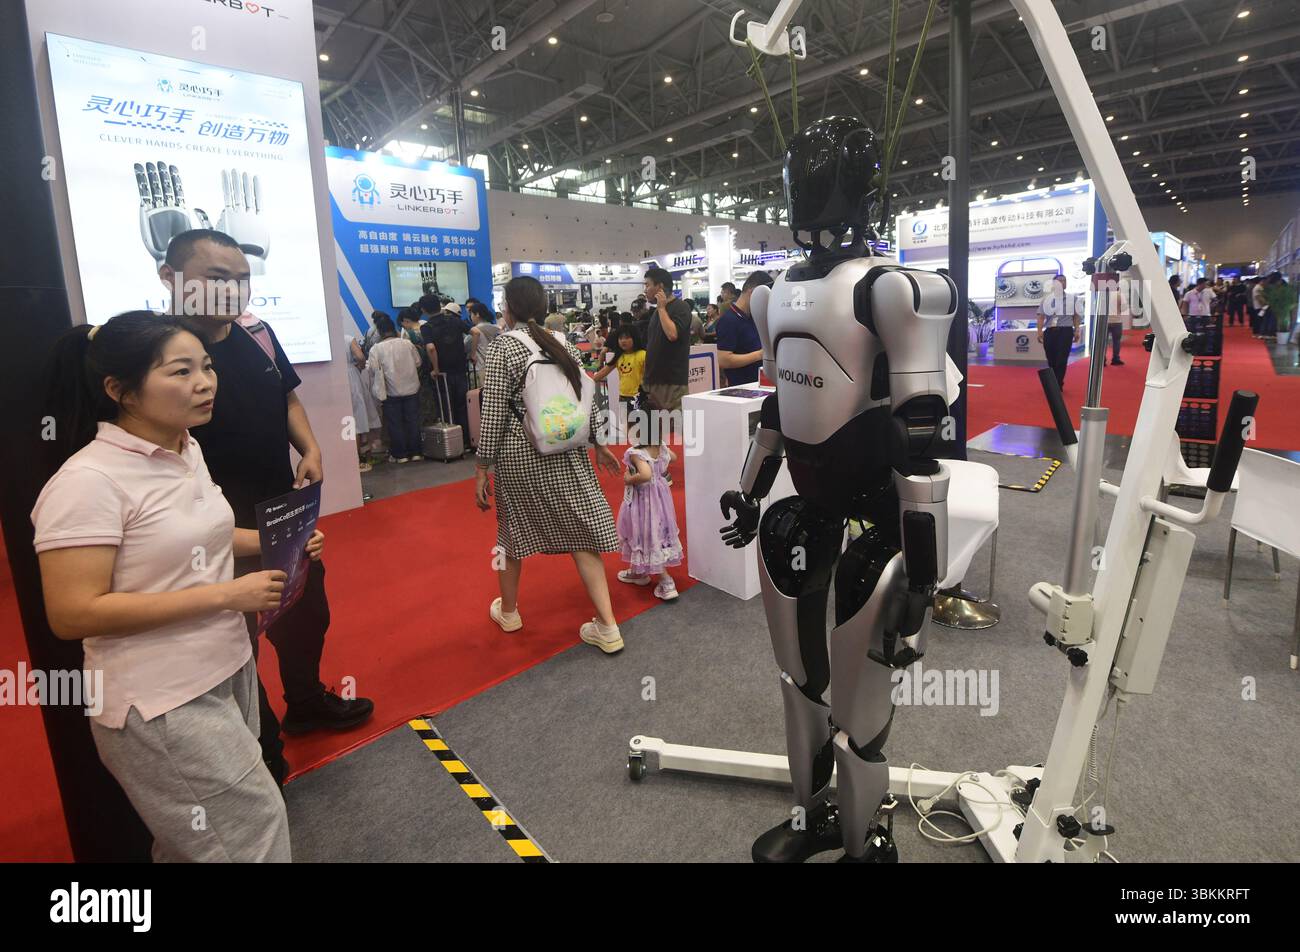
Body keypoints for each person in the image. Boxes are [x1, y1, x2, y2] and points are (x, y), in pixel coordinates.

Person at [33, 311, 309, 861]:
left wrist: (282, 540)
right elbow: (73, 611)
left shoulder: (186, 450)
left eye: (206, 366)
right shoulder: (88, 482)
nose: (205, 382)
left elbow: (205, 536)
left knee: (200, 843)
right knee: (250, 834)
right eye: (180, 372)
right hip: (159, 698)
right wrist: (225, 596)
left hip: (224, 666)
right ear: (121, 391)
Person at [159, 229, 373, 786]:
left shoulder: (257, 332)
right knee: (234, 642)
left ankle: (304, 702)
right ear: (170, 278)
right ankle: (259, 744)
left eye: (241, 278)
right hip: (207, 528)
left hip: (281, 511)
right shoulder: (158, 349)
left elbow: (286, 396)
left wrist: (311, 446)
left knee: (306, 615)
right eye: (216, 278)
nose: (233, 291)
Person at [475, 276, 626, 653]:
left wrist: (481, 467)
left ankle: (509, 613)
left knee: (511, 536)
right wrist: (599, 442)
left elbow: (492, 413)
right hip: (568, 448)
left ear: (507, 308)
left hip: (520, 456)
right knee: (581, 533)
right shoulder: (562, 343)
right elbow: (585, 395)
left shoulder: (503, 348)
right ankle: (608, 626)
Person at [615, 409, 683, 602]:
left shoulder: (637, 452)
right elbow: (674, 457)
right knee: (656, 532)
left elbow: (644, 474)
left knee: (646, 533)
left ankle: (665, 581)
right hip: (661, 497)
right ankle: (639, 572)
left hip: (644, 500)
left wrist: (629, 479)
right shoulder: (659, 446)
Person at [641, 267, 693, 449]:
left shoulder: (681, 307)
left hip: (672, 382)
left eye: (647, 285)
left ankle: (699, 468)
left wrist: (662, 308)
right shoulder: (656, 312)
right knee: (651, 432)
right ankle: (658, 468)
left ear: (660, 287)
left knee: (683, 430)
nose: (645, 289)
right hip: (653, 380)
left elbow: (672, 334)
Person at [366, 313, 424, 463]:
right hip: (411, 388)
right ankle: (416, 452)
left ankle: (401, 455)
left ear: (379, 332)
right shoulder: (407, 344)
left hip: (390, 391)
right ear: (394, 329)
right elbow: (418, 362)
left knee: (395, 423)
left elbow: (372, 369)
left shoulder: (376, 349)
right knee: (413, 421)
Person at [420, 294, 471, 437]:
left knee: (446, 406)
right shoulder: (454, 320)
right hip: (460, 369)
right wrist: (472, 354)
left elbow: (431, 348)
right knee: (462, 404)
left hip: (443, 373)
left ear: (424, 310)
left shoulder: (427, 327)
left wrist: (435, 369)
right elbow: (475, 332)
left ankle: (452, 439)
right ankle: (466, 438)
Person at [716, 270, 773, 385]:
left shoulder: (755, 316)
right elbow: (723, 360)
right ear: (753, 294)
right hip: (741, 390)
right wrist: (760, 354)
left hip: (760, 385)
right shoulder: (729, 320)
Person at [1036, 273, 1082, 389]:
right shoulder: (1046, 300)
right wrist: (1039, 331)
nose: (1062, 283)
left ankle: (1057, 384)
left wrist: (1077, 330)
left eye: (1064, 281)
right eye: (1059, 281)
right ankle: (1054, 381)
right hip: (1050, 331)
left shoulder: (1073, 299)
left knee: (1062, 358)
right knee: (1051, 358)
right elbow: (1041, 316)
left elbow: (1076, 316)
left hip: (1065, 331)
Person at [344, 331, 380, 471]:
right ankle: (357, 460)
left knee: (344, 420)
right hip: (351, 377)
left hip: (332, 377)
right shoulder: (347, 338)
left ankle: (348, 459)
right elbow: (360, 356)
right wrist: (359, 366)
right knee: (356, 421)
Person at [468, 301, 501, 383]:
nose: (471, 317)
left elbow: (465, 346)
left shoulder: (474, 331)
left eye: (472, 314)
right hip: (493, 369)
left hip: (478, 369)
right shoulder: (497, 329)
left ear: (477, 314)